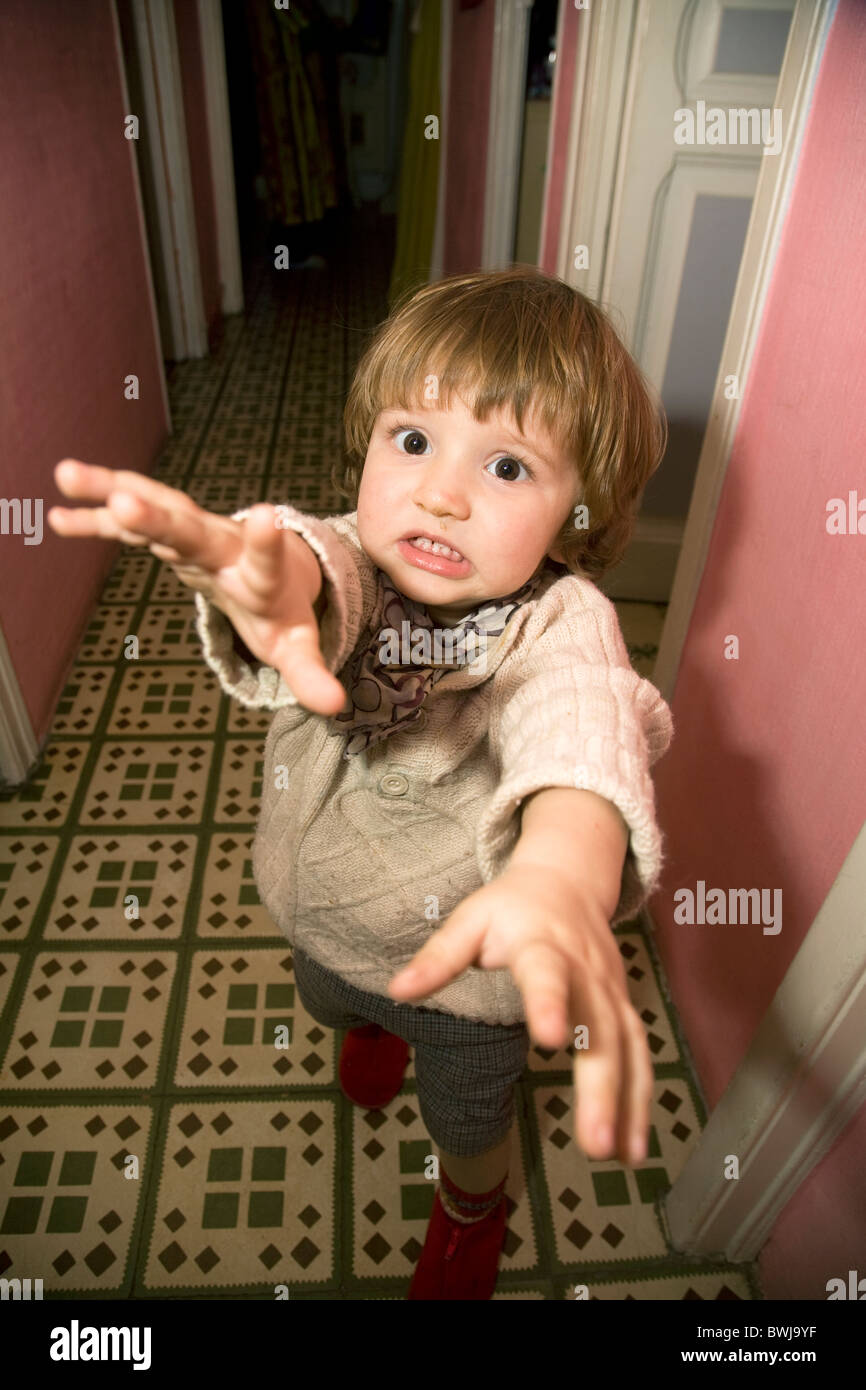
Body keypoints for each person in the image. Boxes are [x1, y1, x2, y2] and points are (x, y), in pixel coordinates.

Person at [48, 267, 674, 1300]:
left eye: (507, 464)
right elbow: (309, 563)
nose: (439, 491)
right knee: (335, 1001)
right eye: (412, 439)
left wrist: (560, 870)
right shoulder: (359, 553)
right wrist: (266, 581)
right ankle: (366, 1028)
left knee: (466, 1126)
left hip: (467, 983)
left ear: (579, 512)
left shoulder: (561, 626)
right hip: (323, 916)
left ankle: (473, 1212)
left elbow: (582, 727)